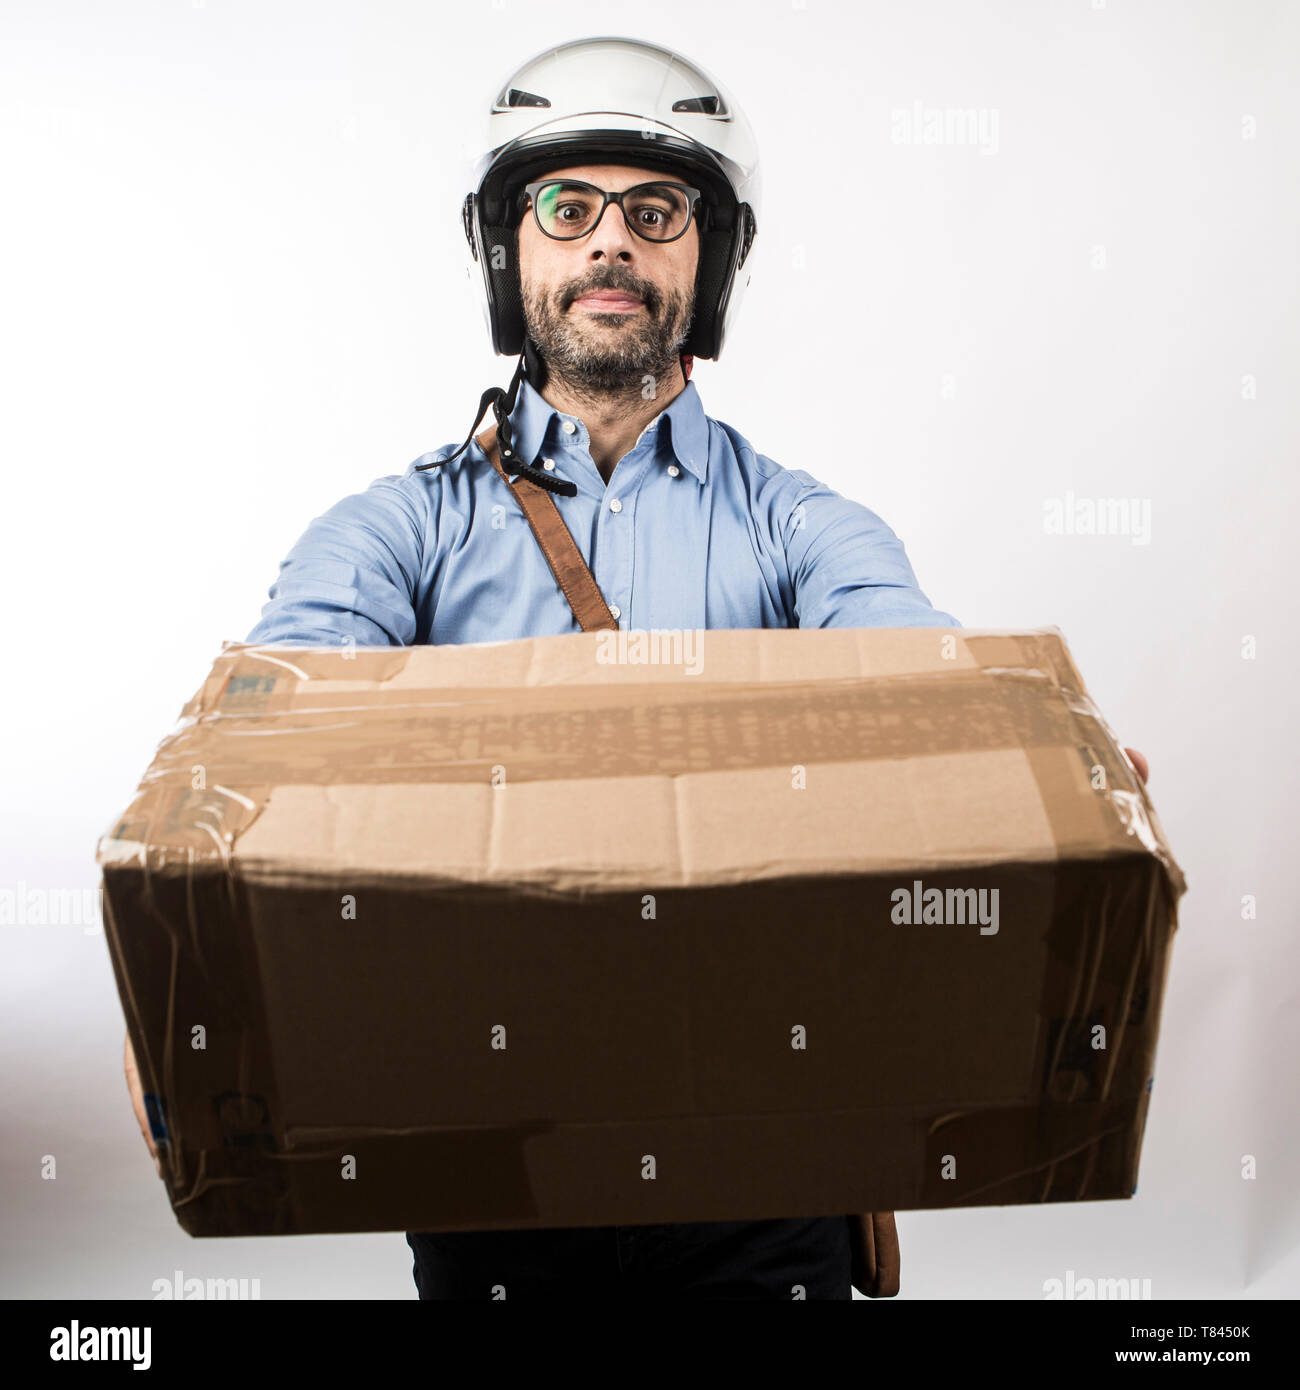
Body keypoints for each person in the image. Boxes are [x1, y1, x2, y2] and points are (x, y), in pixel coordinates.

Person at [124, 35, 1150, 1297]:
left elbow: (914, 692)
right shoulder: (398, 528)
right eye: (568, 206)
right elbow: (273, 743)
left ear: (705, 260)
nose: (611, 240)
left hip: (772, 1169)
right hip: (489, 1171)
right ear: (512, 250)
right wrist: (176, 951)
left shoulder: (804, 526)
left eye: (655, 210)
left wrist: (1028, 768)